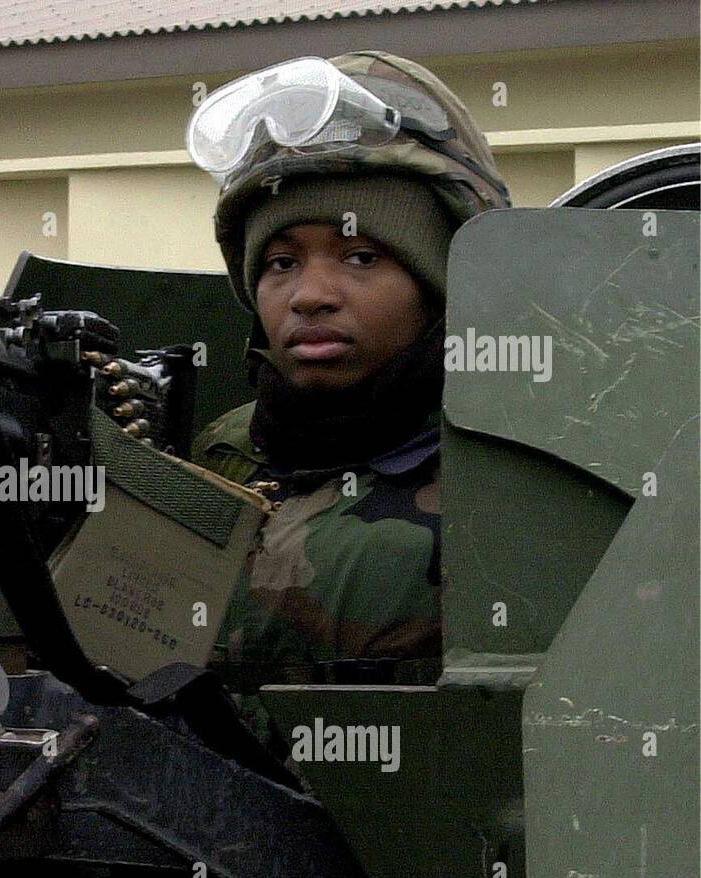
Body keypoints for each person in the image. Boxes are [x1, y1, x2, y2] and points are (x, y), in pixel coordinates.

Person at [183, 51, 511, 730]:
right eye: (280, 262)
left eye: (362, 257)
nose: (311, 296)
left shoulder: (520, 471)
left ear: (441, 282)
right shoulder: (221, 454)